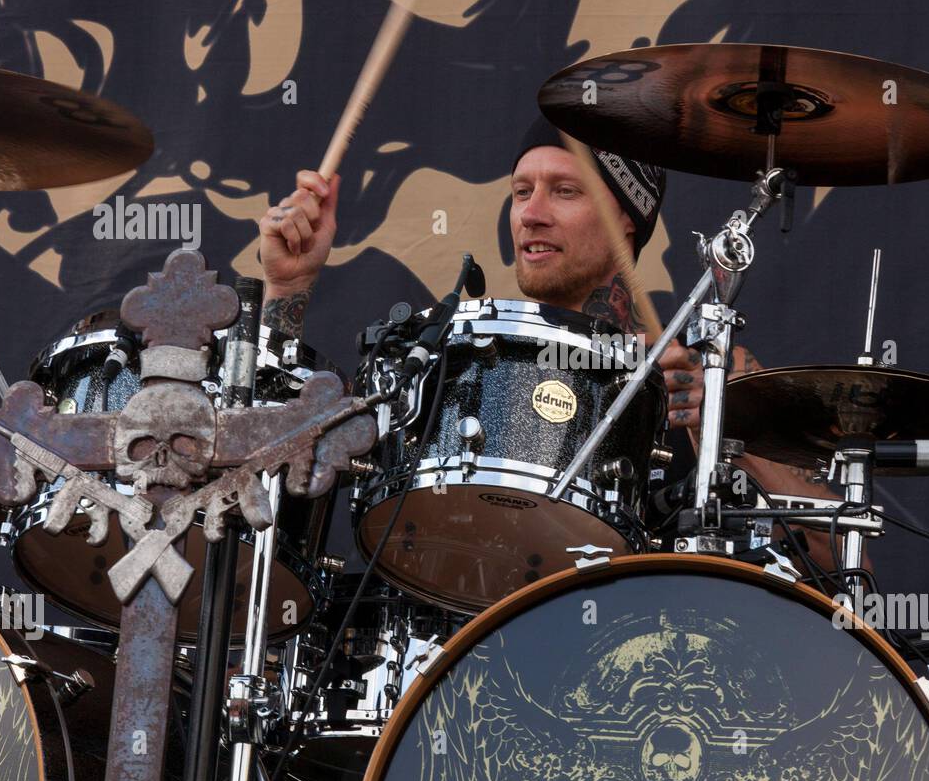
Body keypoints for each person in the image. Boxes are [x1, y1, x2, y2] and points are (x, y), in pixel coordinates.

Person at [257, 118, 850, 570]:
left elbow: (844, 560)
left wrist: (723, 426)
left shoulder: (704, 370)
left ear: (627, 218)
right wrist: (290, 284)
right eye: (521, 191)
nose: (530, 215)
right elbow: (271, 470)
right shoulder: (447, 355)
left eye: (564, 191)